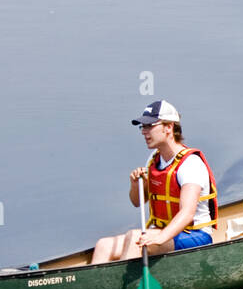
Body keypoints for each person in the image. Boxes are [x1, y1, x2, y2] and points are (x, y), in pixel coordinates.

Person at [89, 100, 218, 264]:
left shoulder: (190, 164)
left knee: (136, 238)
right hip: (161, 231)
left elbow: (187, 214)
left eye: (150, 126)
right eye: (142, 127)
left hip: (194, 235)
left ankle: (121, 287)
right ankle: (98, 287)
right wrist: (135, 185)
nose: (144, 131)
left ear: (169, 127)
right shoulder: (154, 159)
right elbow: (137, 202)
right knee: (104, 245)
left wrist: (159, 238)